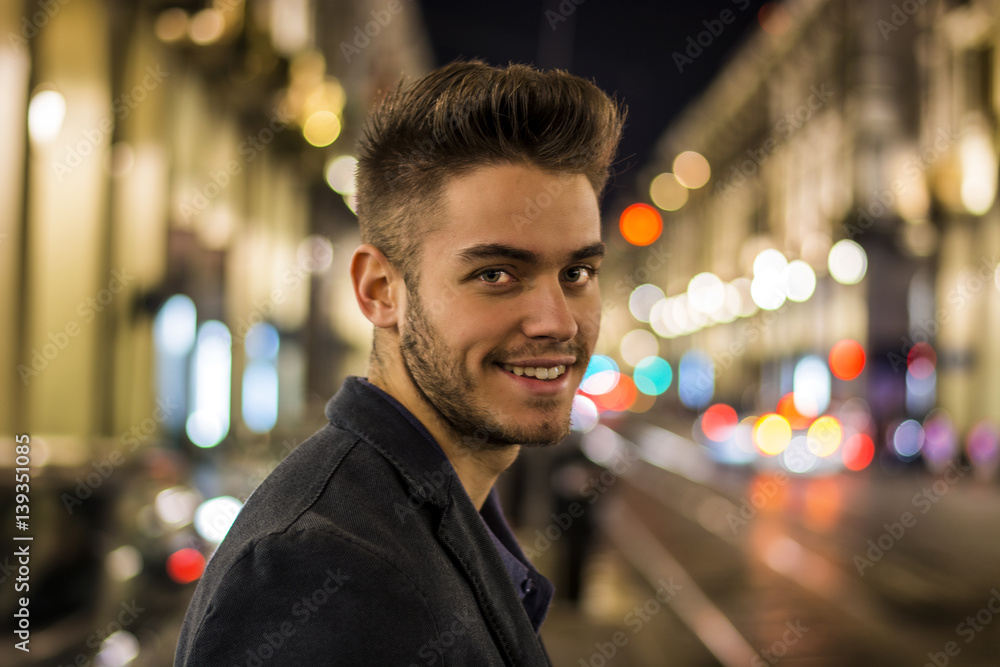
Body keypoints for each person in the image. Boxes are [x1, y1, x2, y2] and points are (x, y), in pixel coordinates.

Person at [174, 59, 624, 667]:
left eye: (577, 273)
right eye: (495, 274)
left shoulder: (440, 519)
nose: (558, 321)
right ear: (381, 289)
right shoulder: (314, 570)